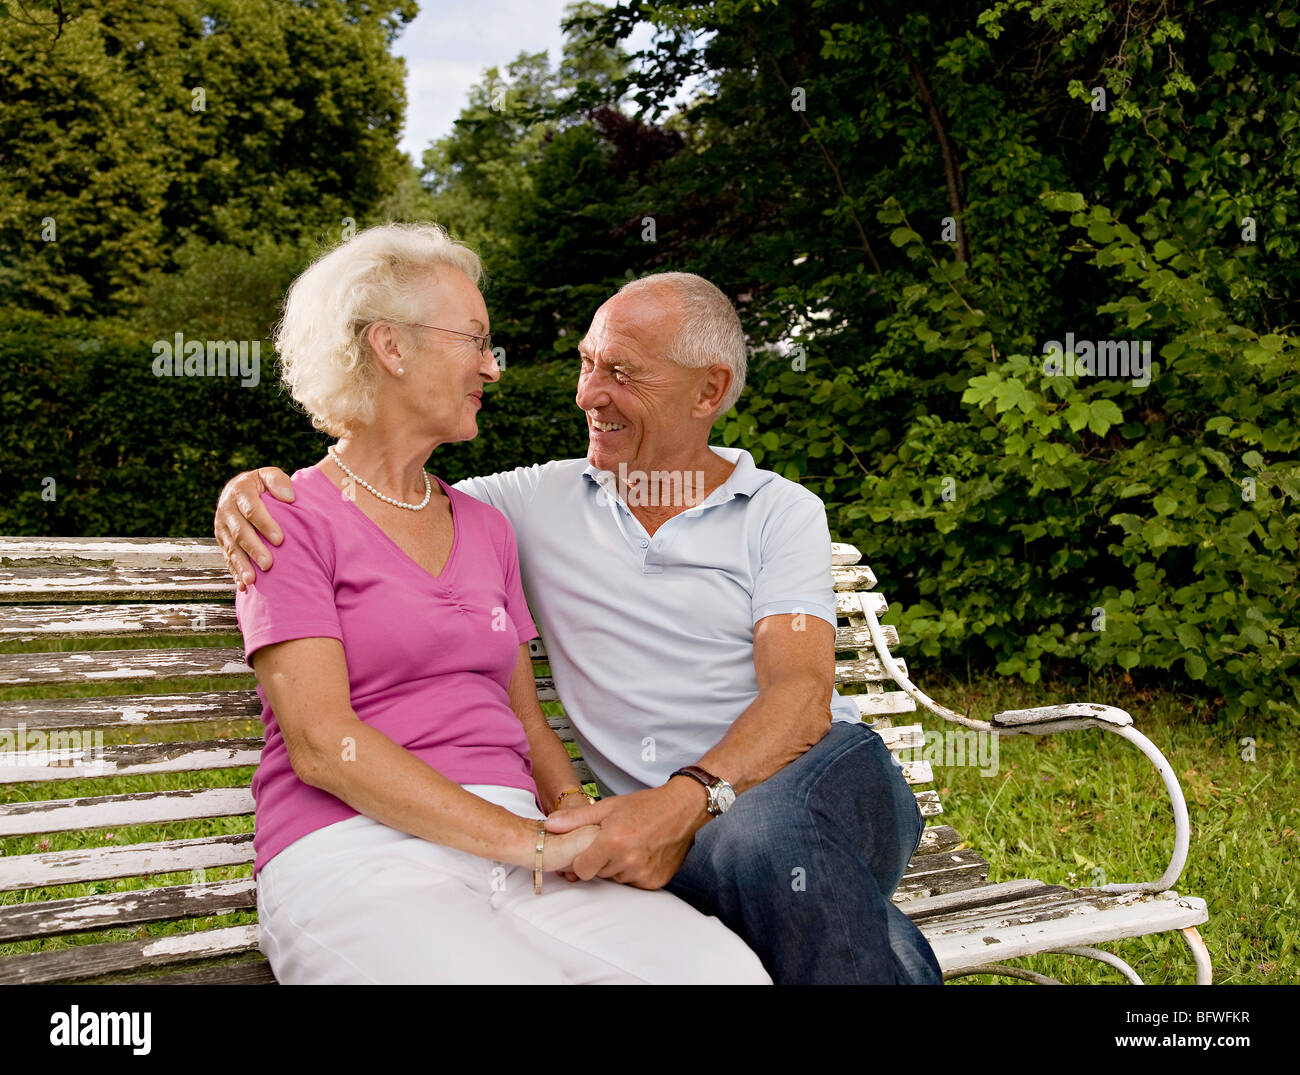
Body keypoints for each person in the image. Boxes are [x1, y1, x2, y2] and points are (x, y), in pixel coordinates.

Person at [216, 265, 942, 985]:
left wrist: (683, 800)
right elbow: (377, 501)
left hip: (812, 776)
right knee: (768, 901)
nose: (589, 394)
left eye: (621, 372)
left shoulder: (778, 510)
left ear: (709, 390)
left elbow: (800, 698)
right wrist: (246, 490)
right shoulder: (525, 504)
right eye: (588, 363)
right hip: (644, 838)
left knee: (764, 837)